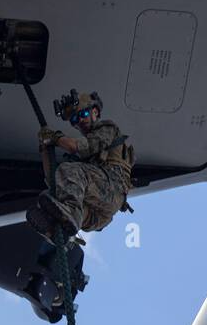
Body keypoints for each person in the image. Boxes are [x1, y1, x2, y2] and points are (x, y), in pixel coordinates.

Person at [26, 90, 133, 242]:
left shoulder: (108, 129)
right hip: (96, 215)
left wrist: (55, 137)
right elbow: (52, 177)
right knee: (52, 193)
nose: (79, 122)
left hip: (111, 191)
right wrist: (43, 147)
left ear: (95, 112)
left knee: (68, 170)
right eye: (75, 120)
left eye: (82, 115)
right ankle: (57, 233)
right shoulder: (86, 164)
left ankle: (71, 213)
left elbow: (79, 146)